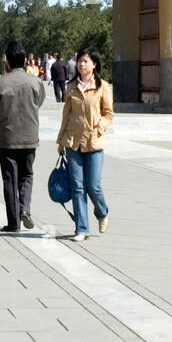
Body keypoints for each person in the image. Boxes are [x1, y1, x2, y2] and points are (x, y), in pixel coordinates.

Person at [56, 47, 114, 241]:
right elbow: (67, 115)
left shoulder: (102, 86)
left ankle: (102, 212)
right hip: (73, 142)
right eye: (80, 60)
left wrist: (99, 128)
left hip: (94, 141)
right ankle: (82, 229)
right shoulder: (71, 87)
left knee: (93, 185)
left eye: (86, 61)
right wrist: (61, 140)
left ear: (94, 64)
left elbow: (108, 113)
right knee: (78, 187)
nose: (82, 64)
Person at [0, 41, 45, 232]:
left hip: (7, 137)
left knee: (9, 179)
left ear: (7, 61)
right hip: (30, 136)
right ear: (25, 61)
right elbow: (38, 103)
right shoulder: (36, 82)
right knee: (27, 175)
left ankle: (13, 223)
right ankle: (25, 209)